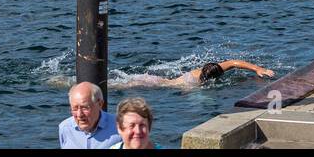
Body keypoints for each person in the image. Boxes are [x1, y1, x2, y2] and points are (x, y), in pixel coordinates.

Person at [111, 59, 275, 90]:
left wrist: (258, 69)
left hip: (158, 79)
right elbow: (184, 92)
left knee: (126, 81)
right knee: (123, 84)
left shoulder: (212, 68)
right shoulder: (193, 81)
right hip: (156, 83)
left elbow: (234, 62)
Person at [58, 81, 122, 149]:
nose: (79, 115)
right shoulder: (65, 128)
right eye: (75, 108)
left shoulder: (119, 127)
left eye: (85, 108)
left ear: (100, 104)